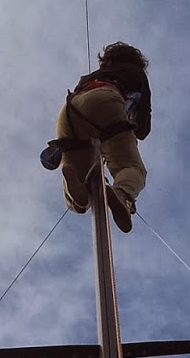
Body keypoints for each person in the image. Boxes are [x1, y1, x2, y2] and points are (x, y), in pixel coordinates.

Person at [49, 42, 151, 232]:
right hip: (104, 100)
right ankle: (121, 195)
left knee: (78, 202)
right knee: (132, 168)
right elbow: (144, 128)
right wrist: (130, 125)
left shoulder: (89, 76)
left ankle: (77, 189)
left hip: (69, 111)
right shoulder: (135, 74)